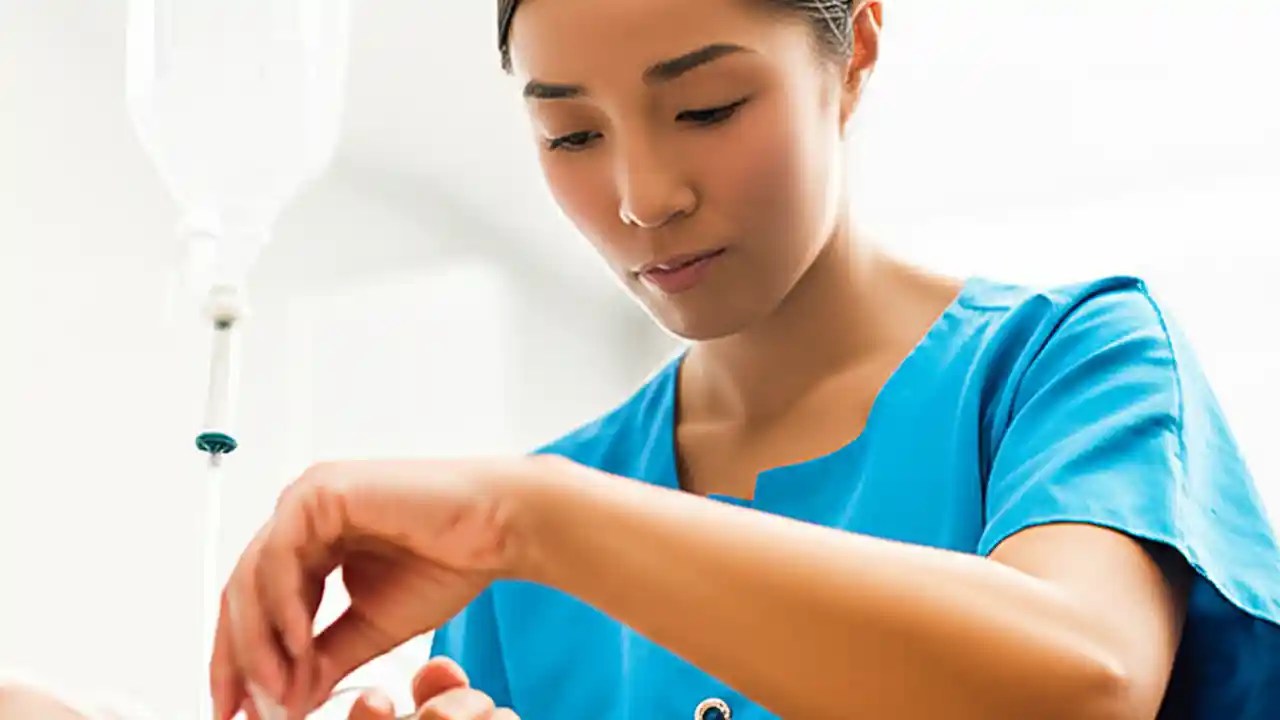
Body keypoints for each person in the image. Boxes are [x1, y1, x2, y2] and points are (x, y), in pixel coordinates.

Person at [210, 1, 1280, 718]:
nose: (641, 198)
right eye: (570, 136)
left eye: (705, 108)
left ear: (853, 50)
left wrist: (533, 521)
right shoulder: (505, 587)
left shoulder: (1065, 365)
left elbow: (1080, 684)